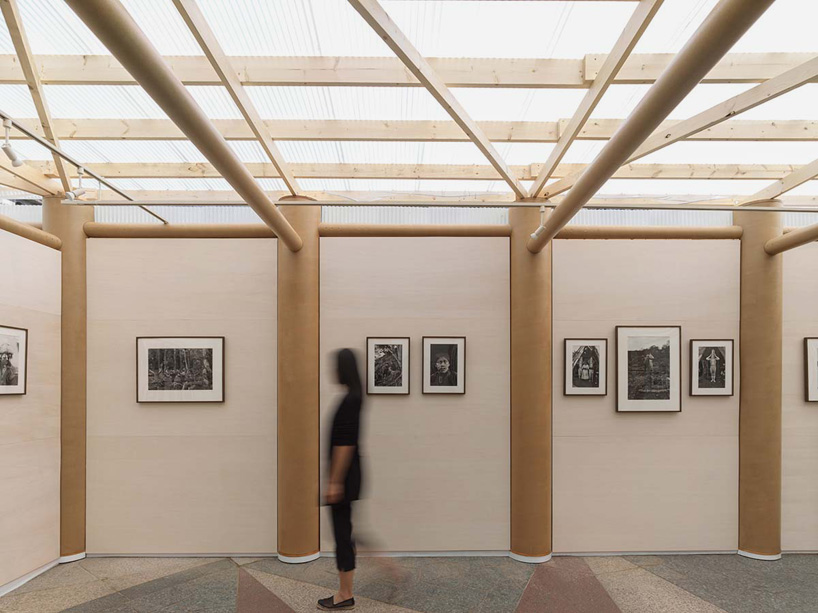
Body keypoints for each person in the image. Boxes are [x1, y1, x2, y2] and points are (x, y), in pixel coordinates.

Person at [319, 349, 364, 611]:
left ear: (342, 369)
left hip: (344, 478)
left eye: (335, 366)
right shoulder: (354, 396)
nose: (332, 371)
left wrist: (335, 482)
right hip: (349, 475)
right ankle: (346, 589)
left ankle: (345, 594)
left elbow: (345, 445)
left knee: (342, 534)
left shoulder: (350, 400)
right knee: (345, 531)